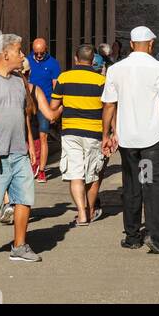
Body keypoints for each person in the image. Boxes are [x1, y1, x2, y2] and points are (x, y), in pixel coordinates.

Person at [0, 33, 57, 262]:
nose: (23, 56)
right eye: (19, 51)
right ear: (5, 54)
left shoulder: (20, 81)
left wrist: (30, 144)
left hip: (19, 152)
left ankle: (19, 246)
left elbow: (23, 117)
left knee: (24, 199)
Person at [101, 26, 159, 254]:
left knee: (132, 184)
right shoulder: (158, 68)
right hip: (152, 139)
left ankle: (132, 235)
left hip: (127, 139)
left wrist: (105, 134)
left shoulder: (116, 69)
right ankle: (155, 236)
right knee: (152, 185)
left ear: (133, 44)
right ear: (152, 44)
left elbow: (108, 105)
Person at [51, 44, 106, 225]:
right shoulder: (100, 81)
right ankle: (90, 211)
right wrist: (110, 133)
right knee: (91, 175)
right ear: (92, 61)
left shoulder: (64, 78)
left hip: (70, 131)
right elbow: (108, 109)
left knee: (76, 174)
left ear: (76, 58)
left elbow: (53, 106)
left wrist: (63, 107)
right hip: (94, 132)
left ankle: (81, 214)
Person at [26, 37, 61, 181]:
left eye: (41, 53)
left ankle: (41, 170)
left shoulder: (53, 63)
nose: (39, 56)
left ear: (46, 49)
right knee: (29, 136)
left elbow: (55, 86)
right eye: (36, 53)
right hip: (29, 103)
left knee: (43, 136)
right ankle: (31, 165)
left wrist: (55, 108)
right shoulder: (27, 61)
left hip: (45, 104)